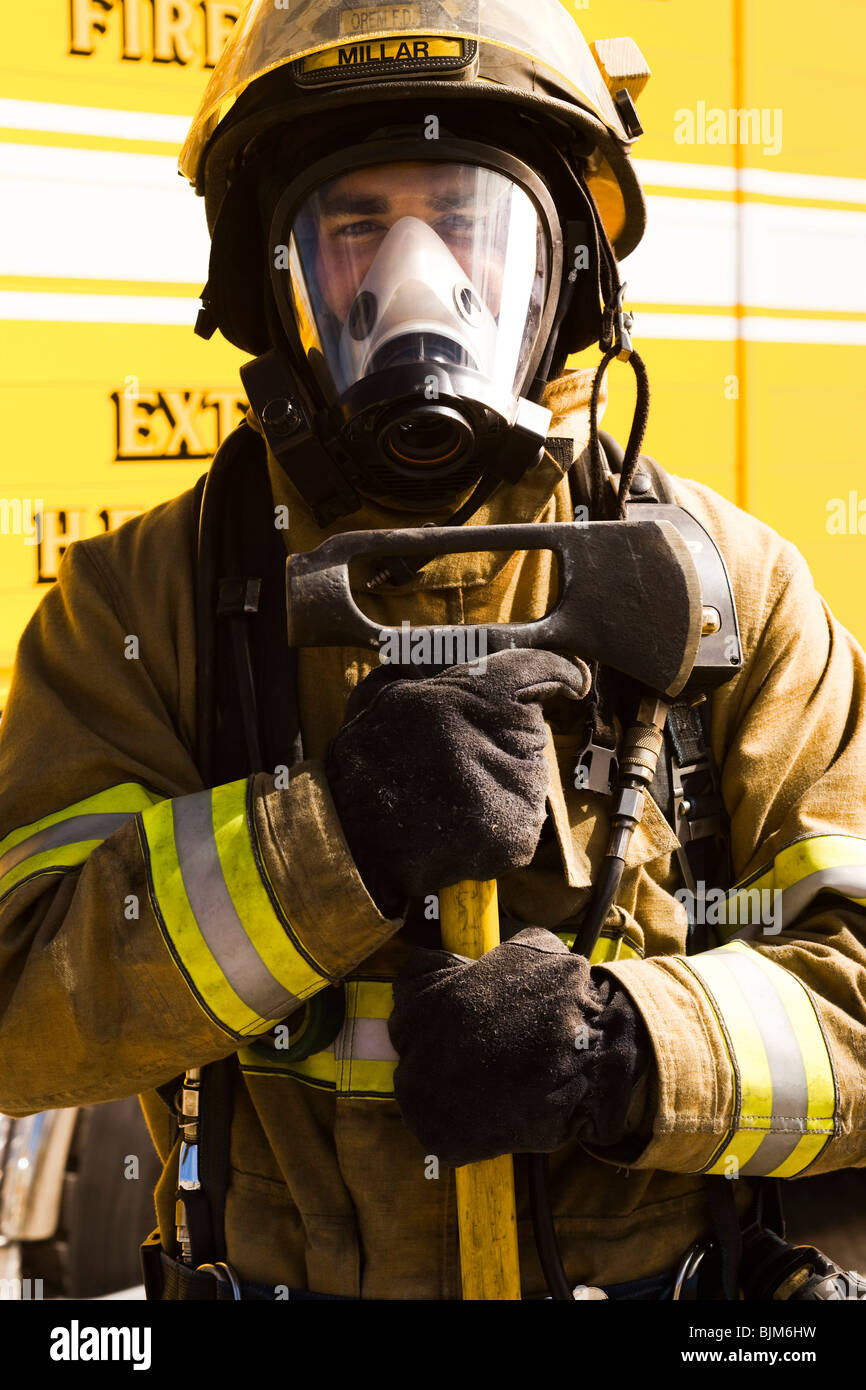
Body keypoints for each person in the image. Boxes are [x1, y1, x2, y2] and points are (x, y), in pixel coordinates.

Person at [1, 0, 865, 1302]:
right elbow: (21, 1012)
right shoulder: (145, 598)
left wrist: (625, 1052)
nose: (420, 282)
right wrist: (331, 838)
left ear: (566, 275)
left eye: (467, 223)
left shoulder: (730, 590)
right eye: (357, 227)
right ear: (270, 280)